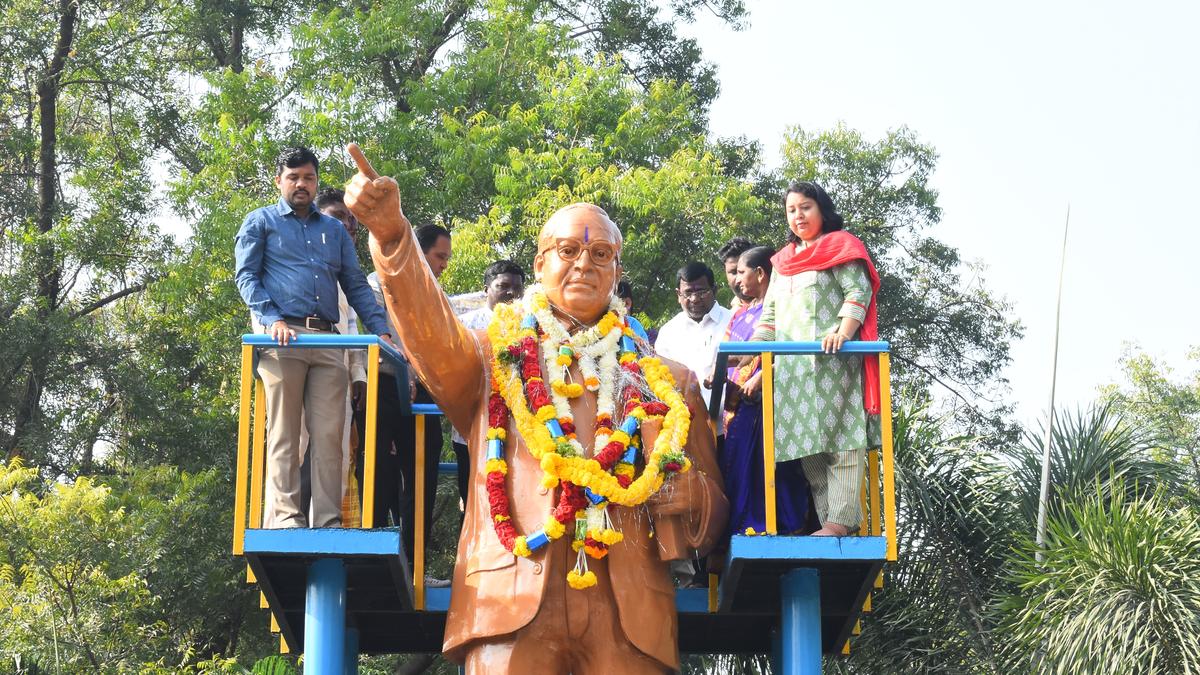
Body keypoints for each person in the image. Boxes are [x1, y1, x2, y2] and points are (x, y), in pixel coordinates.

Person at [344, 144, 728, 674]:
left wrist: (695, 498)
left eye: (599, 256)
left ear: (617, 271)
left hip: (632, 612)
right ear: (539, 263)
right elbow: (427, 332)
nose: (583, 266)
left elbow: (714, 511)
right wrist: (392, 238)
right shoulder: (490, 358)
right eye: (568, 250)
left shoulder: (668, 381)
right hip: (508, 593)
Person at [234, 146, 392, 529]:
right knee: (286, 432)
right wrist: (272, 319)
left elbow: (354, 285)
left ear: (316, 181)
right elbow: (246, 277)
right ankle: (287, 517)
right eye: (293, 177)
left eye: (308, 177)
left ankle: (327, 519)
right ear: (279, 181)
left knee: (330, 435)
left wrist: (381, 328)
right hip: (283, 338)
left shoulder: (334, 230)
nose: (301, 184)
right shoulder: (261, 222)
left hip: (329, 340)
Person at [749, 181, 881, 537]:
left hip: (833, 362)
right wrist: (747, 356)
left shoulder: (841, 247)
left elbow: (859, 291)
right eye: (791, 210)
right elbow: (770, 317)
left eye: (805, 207)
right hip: (793, 371)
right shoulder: (782, 263)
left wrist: (843, 330)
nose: (798, 216)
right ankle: (830, 524)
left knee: (842, 442)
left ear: (821, 209)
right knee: (809, 449)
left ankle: (841, 522)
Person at [358, 225, 449, 567]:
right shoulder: (374, 283)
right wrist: (404, 368)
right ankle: (372, 561)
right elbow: (376, 332)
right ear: (418, 252)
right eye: (439, 257)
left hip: (422, 394)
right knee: (378, 473)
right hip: (383, 385)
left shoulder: (434, 294)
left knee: (422, 476)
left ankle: (415, 567)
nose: (443, 266)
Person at [720, 246, 809, 536]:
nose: (737, 281)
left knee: (769, 466)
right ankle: (745, 526)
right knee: (739, 467)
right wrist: (718, 370)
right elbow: (739, 354)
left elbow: (787, 346)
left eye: (741, 273)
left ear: (760, 273)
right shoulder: (741, 314)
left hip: (773, 398)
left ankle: (778, 526)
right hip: (738, 404)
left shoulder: (782, 306)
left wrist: (761, 376)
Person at [297, 188, 369, 525]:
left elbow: (351, 326)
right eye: (338, 216)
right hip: (293, 359)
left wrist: (358, 374)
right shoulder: (293, 260)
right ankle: (289, 524)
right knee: (295, 446)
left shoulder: (347, 274)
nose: (347, 226)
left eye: (352, 222)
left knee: (334, 451)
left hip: (335, 370)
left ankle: (323, 526)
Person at [451, 260, 527, 507]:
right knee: (471, 495)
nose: (511, 293)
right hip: (472, 422)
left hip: (519, 427)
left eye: (517, 288)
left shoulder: (530, 325)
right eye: (503, 286)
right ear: (486, 289)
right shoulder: (466, 324)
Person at [654, 262, 732, 409]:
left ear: (714, 290)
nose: (695, 299)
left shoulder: (733, 322)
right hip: (686, 425)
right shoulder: (668, 332)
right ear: (678, 295)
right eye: (688, 293)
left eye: (702, 292)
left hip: (732, 422)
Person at [716, 236, 755, 311]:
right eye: (734, 272)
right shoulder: (729, 318)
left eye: (743, 271)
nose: (738, 279)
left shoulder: (778, 305)